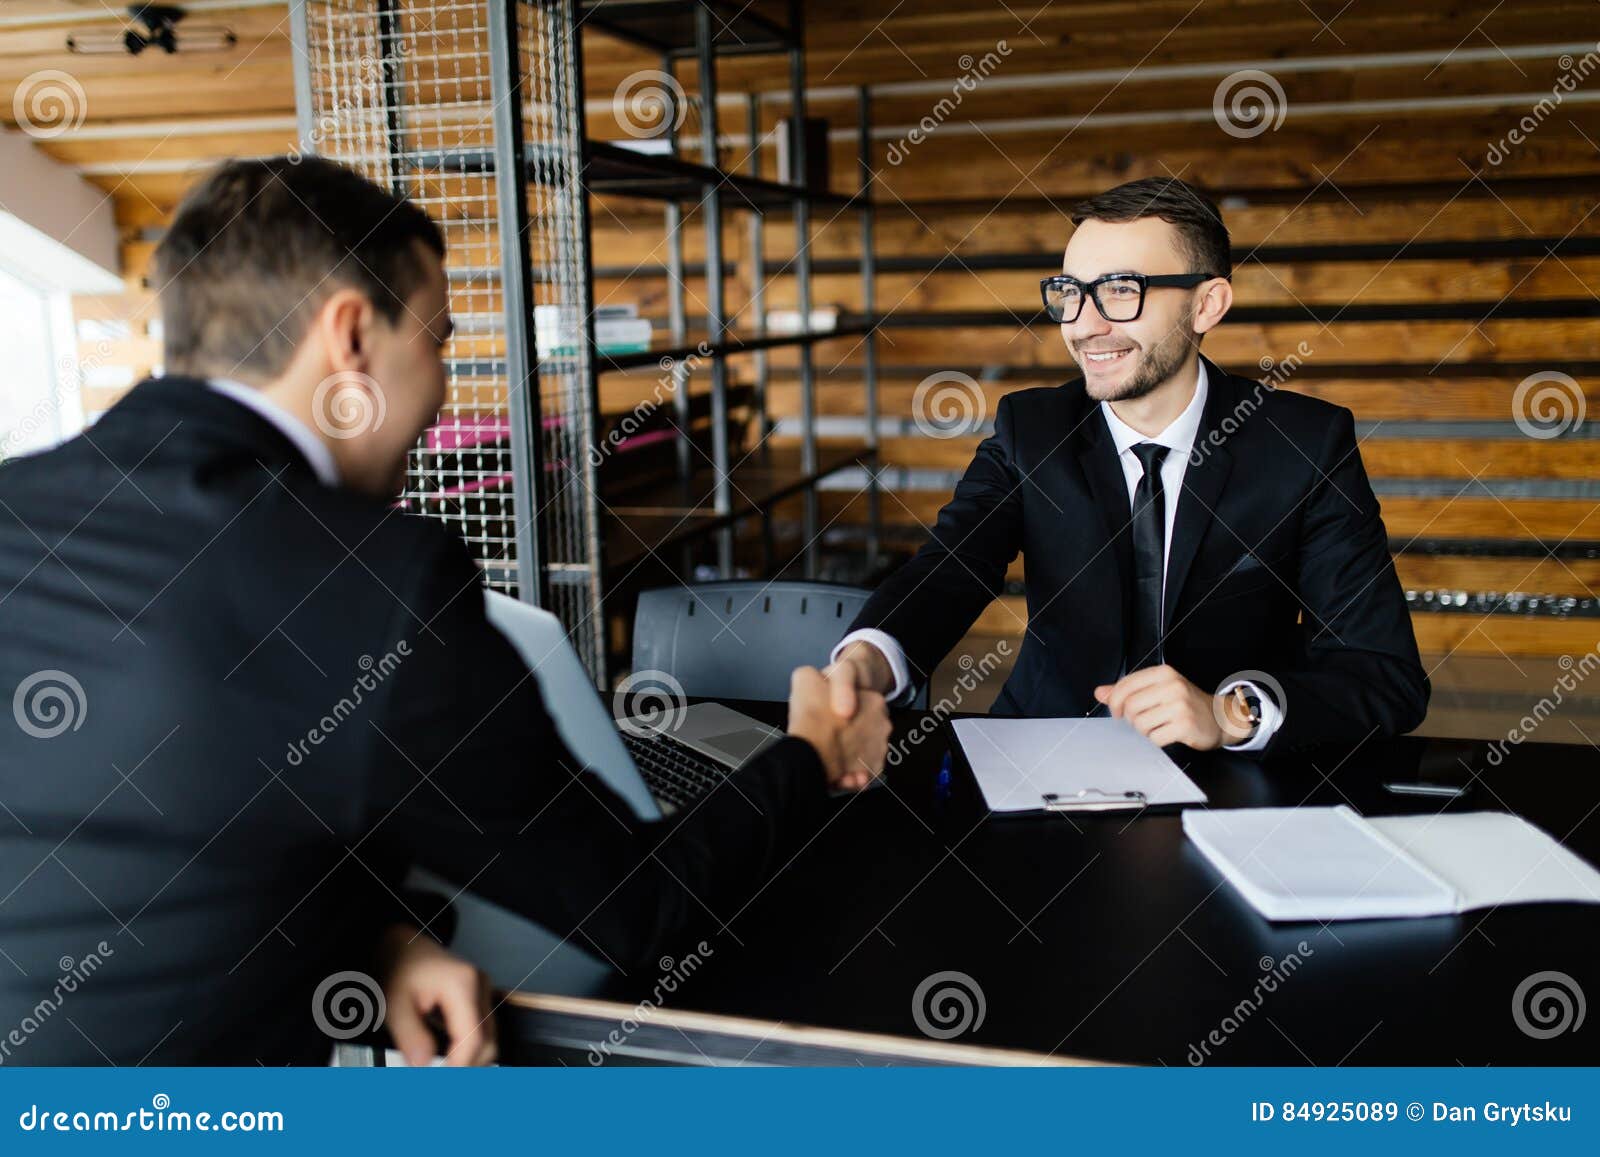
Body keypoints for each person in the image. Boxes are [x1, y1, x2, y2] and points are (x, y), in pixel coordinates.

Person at [0, 156, 891, 1065]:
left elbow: (149, 830)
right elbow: (640, 904)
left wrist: (373, 941)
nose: (442, 394)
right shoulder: (376, 583)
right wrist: (811, 754)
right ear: (352, 334)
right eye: (438, 341)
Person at [827, 176, 1427, 757]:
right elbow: (950, 569)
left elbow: (1383, 674)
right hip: (1043, 751)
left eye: (1120, 290)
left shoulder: (1305, 444)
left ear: (1207, 304)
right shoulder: (1031, 429)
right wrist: (867, 661)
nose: (1085, 326)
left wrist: (1230, 713)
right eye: (1071, 292)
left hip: (1225, 771)